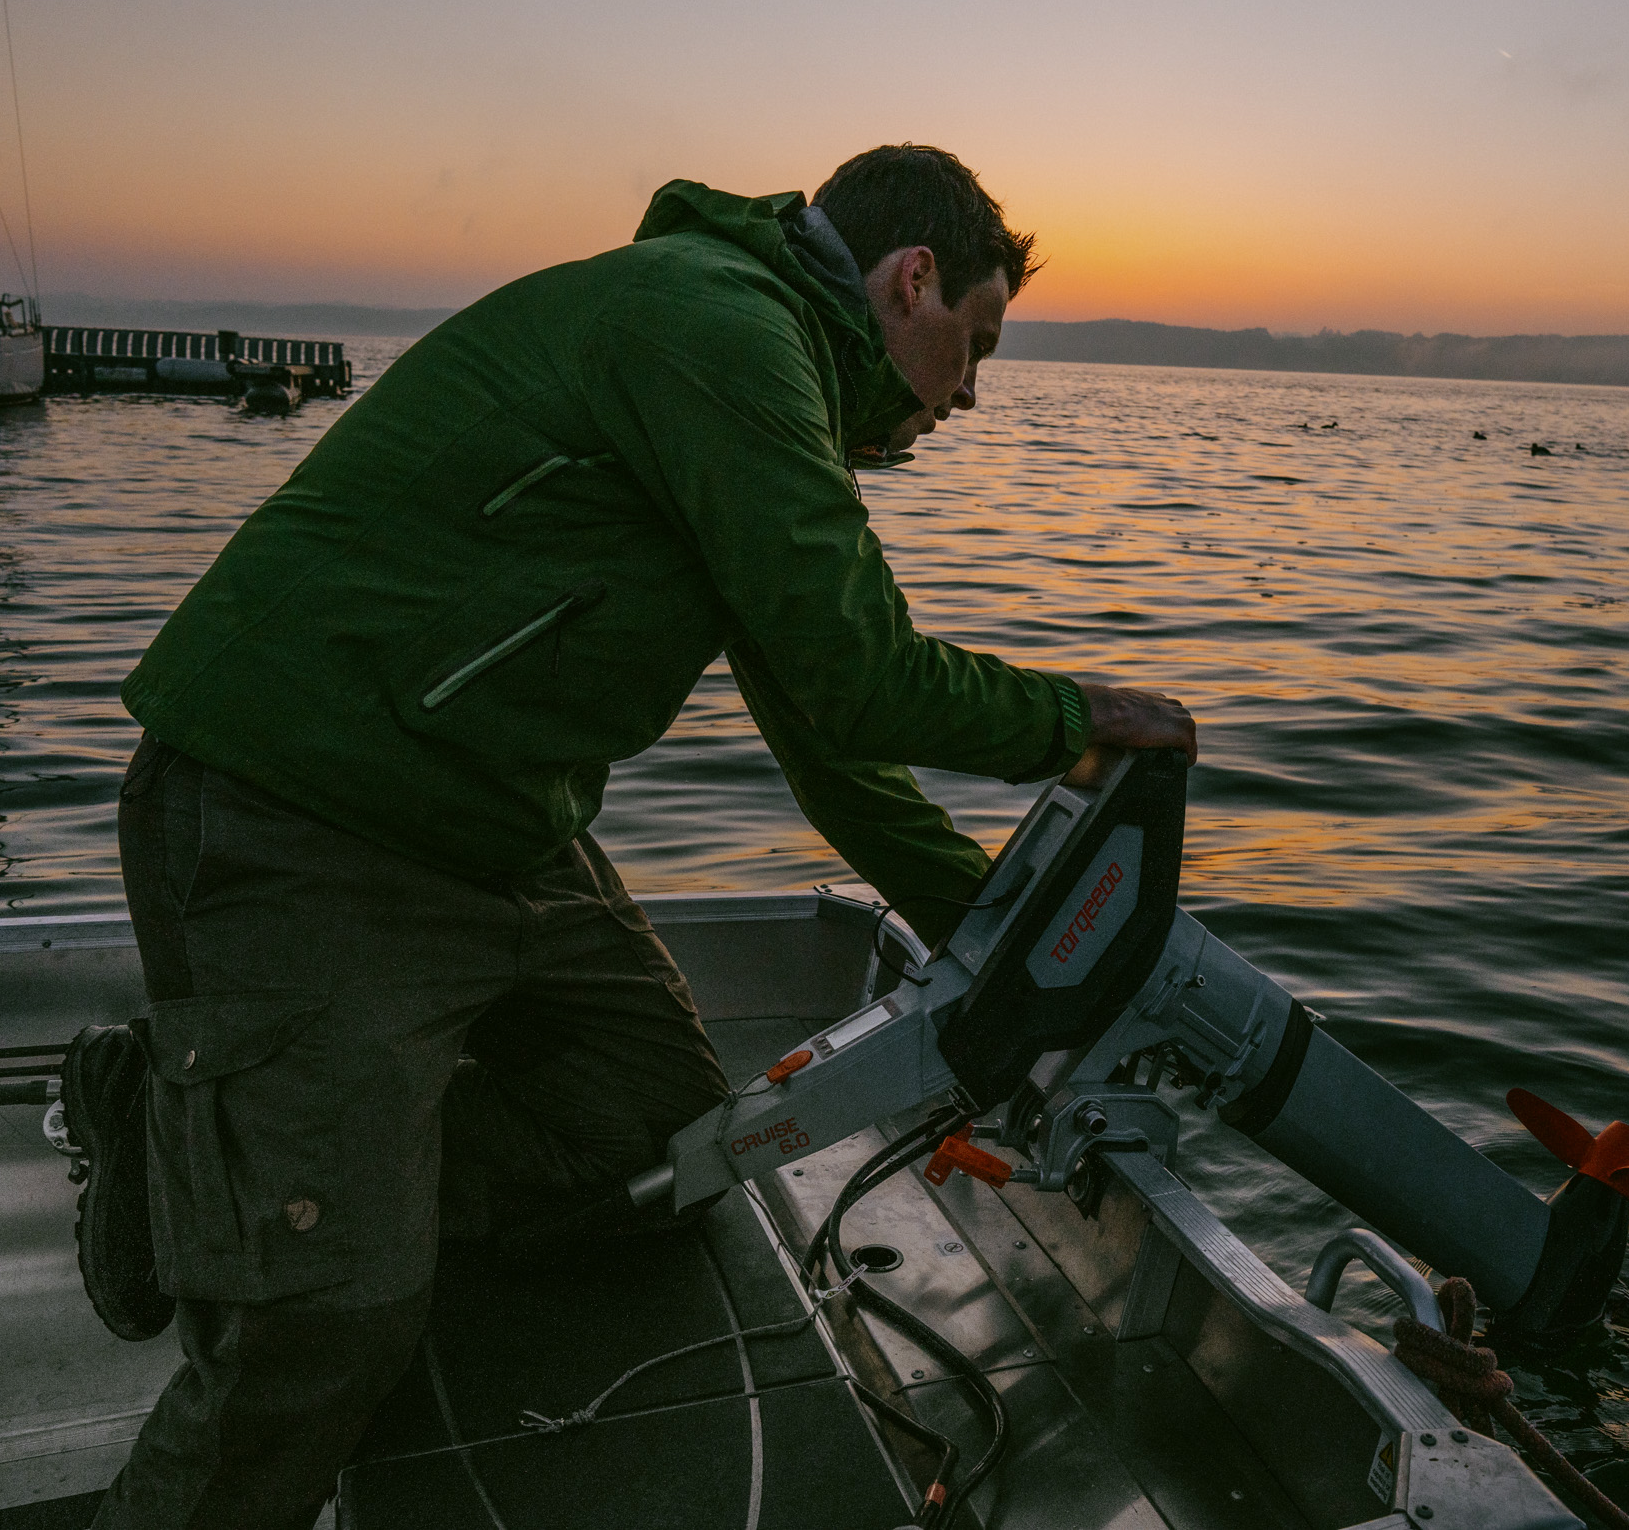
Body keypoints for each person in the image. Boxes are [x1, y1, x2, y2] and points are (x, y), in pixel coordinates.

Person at [66, 143, 1194, 1528]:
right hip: (300, 810)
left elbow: (834, 749)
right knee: (327, 1335)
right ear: (912, 283)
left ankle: (256, 1148)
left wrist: (1003, 947)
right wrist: (1089, 719)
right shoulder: (717, 330)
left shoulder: (759, 383)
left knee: (667, 1144)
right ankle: (234, 1169)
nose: (966, 397)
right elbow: (864, 674)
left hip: (493, 834)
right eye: (974, 346)